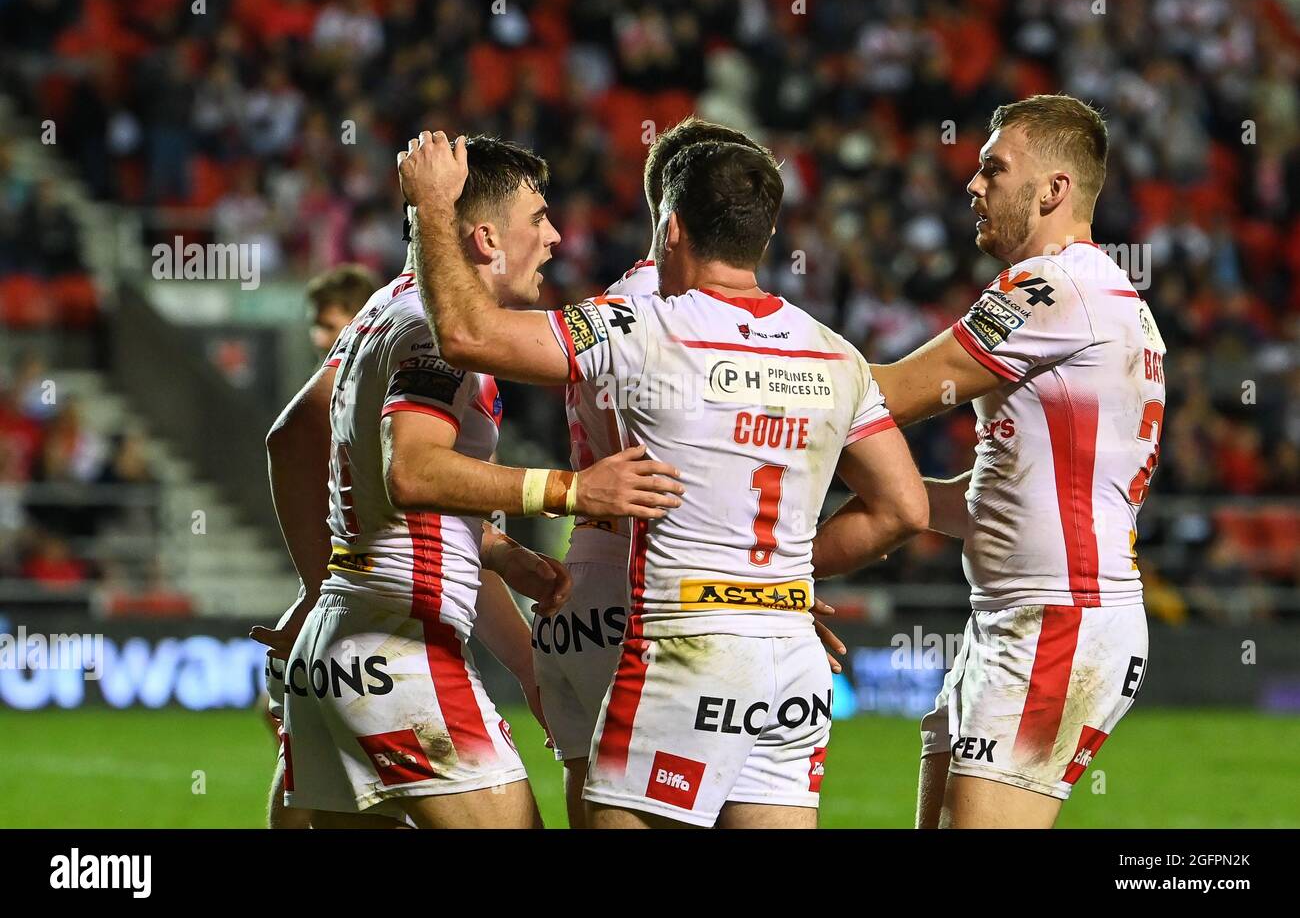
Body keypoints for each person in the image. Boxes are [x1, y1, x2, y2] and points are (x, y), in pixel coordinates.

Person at [399, 131, 927, 828]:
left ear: (669, 226)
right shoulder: (836, 354)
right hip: (791, 652)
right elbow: (905, 509)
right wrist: (788, 577)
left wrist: (432, 209)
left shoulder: (638, 323)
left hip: (672, 632)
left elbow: (466, 335)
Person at [258, 136, 682, 829]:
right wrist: (574, 491)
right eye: (539, 218)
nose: (555, 237)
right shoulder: (435, 329)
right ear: (486, 238)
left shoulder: (377, 312)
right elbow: (414, 471)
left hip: (334, 650)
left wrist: (489, 550)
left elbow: (291, 438)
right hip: (401, 650)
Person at [815, 95, 1166, 828]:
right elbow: (993, 502)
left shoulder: (1053, 286)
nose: (973, 187)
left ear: (1054, 190)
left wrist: (755, 377)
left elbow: (893, 395)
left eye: (993, 169)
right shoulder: (1107, 294)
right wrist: (890, 501)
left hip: (1057, 616)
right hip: (1026, 612)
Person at [533, 116, 851, 829]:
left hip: (581, 581)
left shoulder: (605, 307)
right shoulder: (679, 316)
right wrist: (772, 592)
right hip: (658, 592)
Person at [257, 263, 379, 829]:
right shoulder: (333, 400)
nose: (323, 338)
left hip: (367, 592)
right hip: (352, 596)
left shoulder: (364, 391)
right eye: (318, 325)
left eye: (333, 324)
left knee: (307, 748)